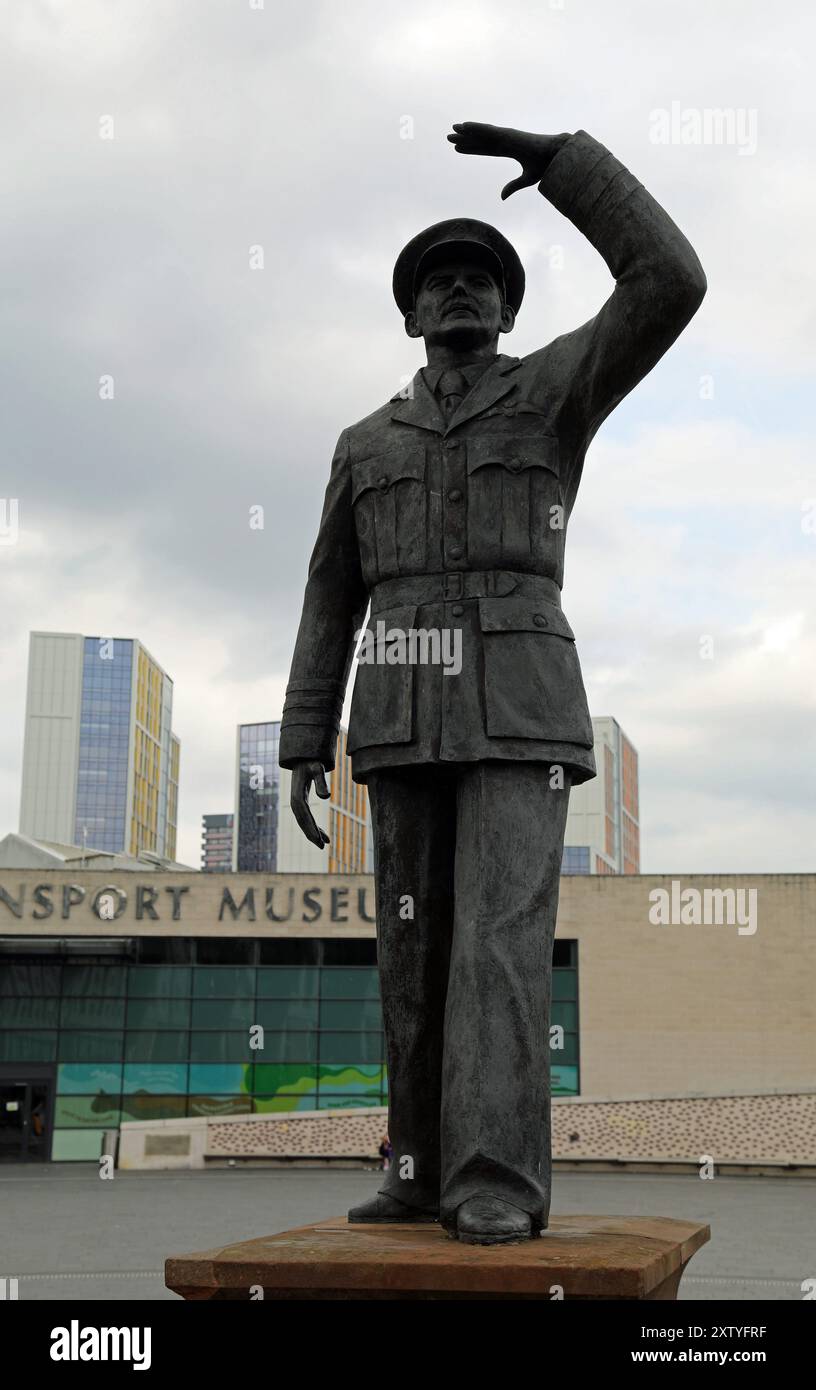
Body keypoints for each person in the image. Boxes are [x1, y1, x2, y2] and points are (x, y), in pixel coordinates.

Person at [280, 122, 706, 1244]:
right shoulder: (364, 440)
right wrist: (300, 737)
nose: (460, 289)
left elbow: (671, 279)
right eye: (439, 280)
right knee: (412, 955)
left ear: (508, 310)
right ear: (412, 313)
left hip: (518, 709)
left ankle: (495, 1181)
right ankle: (417, 1169)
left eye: (481, 277)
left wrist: (567, 164)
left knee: (498, 949)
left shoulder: (556, 390)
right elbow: (331, 592)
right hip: (402, 710)